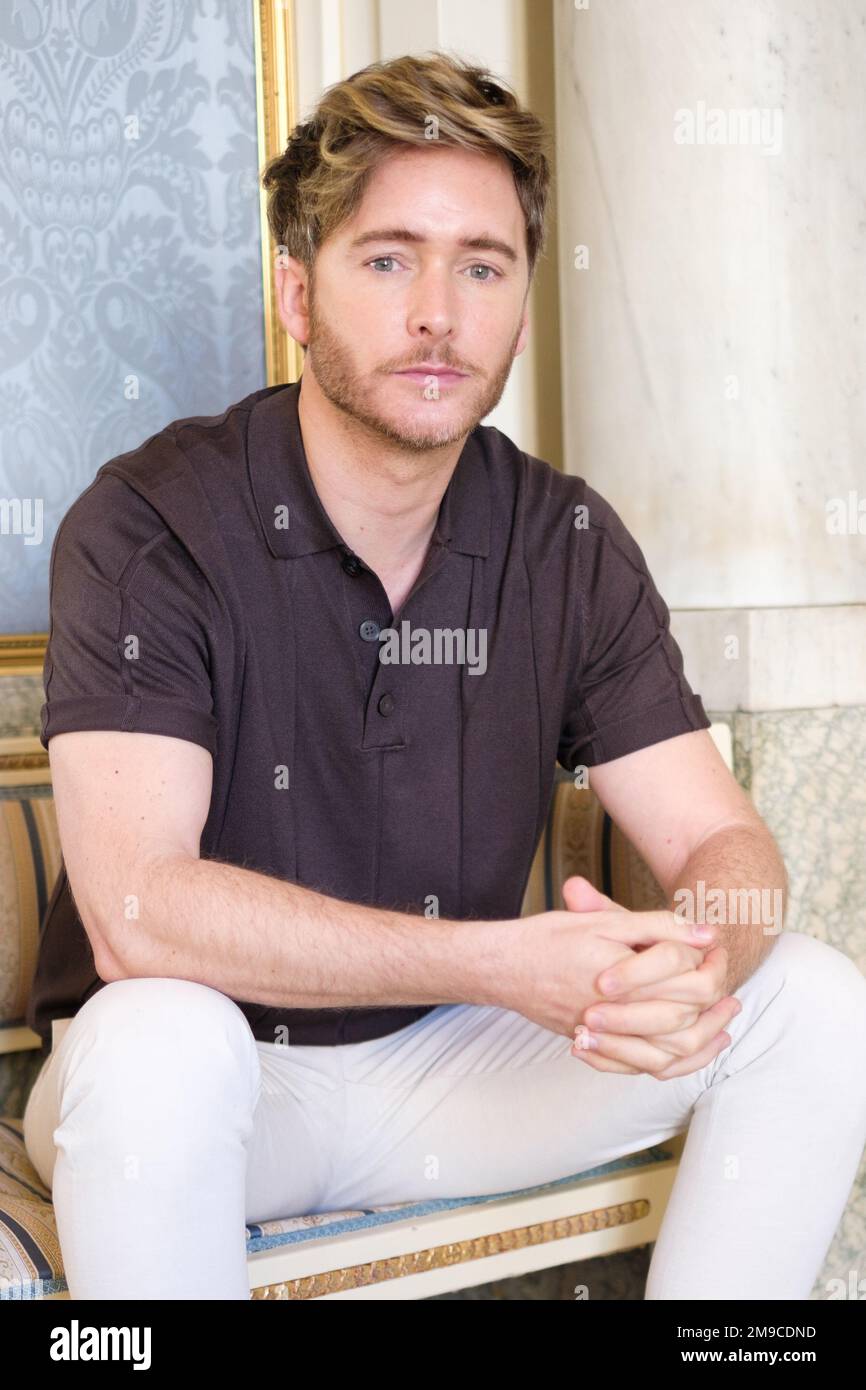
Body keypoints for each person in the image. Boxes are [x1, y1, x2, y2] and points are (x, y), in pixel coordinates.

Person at [23, 52, 866, 1301]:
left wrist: (692, 966)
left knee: (810, 998)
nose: (438, 311)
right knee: (162, 1039)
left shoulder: (563, 538)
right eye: (387, 258)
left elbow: (724, 848)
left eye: (481, 265)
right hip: (210, 1094)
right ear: (298, 294)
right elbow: (137, 914)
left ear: (520, 308)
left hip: (457, 1072)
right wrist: (492, 963)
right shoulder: (150, 519)